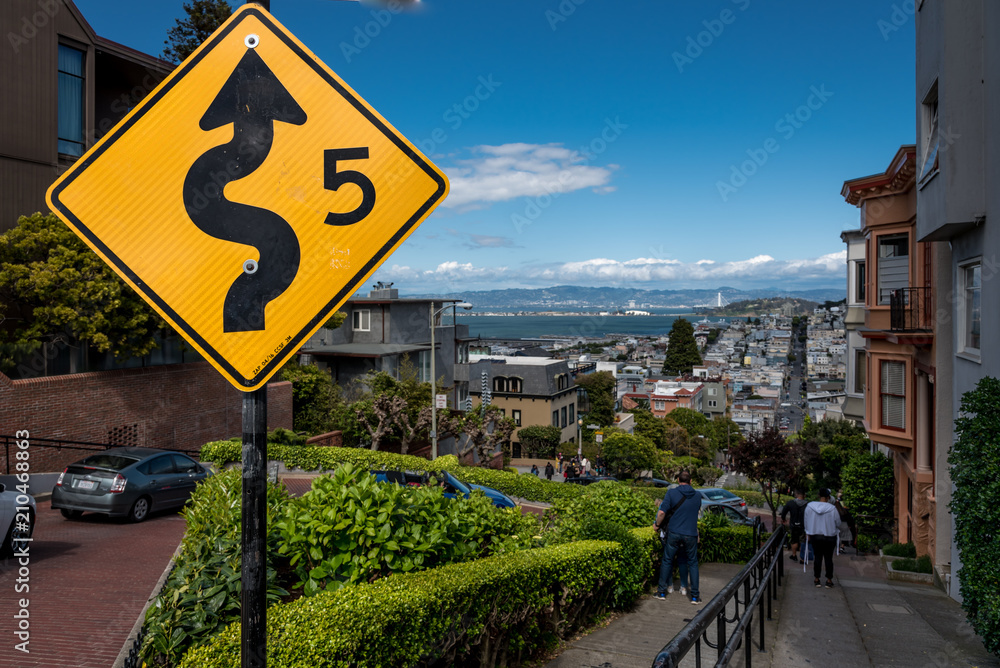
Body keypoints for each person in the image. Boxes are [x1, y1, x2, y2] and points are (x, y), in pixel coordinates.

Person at [654, 470, 702, 604]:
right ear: (691, 481)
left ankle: (661, 592)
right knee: (692, 563)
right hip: (691, 534)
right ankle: (695, 596)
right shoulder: (697, 495)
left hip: (674, 533)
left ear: (678, 480)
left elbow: (662, 512)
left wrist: (657, 525)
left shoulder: (671, 493)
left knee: (667, 560)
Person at [804, 488, 840, 588]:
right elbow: (838, 522)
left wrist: (808, 533)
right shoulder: (832, 509)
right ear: (828, 497)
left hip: (815, 535)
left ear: (819, 495)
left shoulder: (810, 507)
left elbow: (806, 521)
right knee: (828, 558)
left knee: (817, 557)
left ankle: (817, 579)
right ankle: (829, 580)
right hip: (830, 536)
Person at [780, 489, 808, 563]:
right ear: (804, 495)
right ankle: (802, 559)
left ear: (796, 495)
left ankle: (794, 555)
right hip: (803, 526)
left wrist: (783, 519)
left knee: (794, 540)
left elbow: (784, 511)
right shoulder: (807, 504)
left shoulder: (791, 503)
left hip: (793, 525)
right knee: (803, 541)